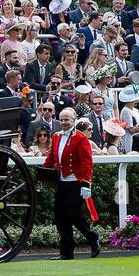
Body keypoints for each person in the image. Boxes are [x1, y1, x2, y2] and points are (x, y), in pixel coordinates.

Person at [42, 109, 100, 260]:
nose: (64, 122)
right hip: (62, 182)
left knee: (74, 215)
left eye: (67, 119)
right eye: (61, 120)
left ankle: (92, 238)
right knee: (61, 217)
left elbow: (87, 163)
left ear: (74, 120)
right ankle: (66, 252)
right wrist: (41, 173)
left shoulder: (81, 138)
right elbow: (51, 157)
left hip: (77, 182)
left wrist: (86, 186)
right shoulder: (56, 136)